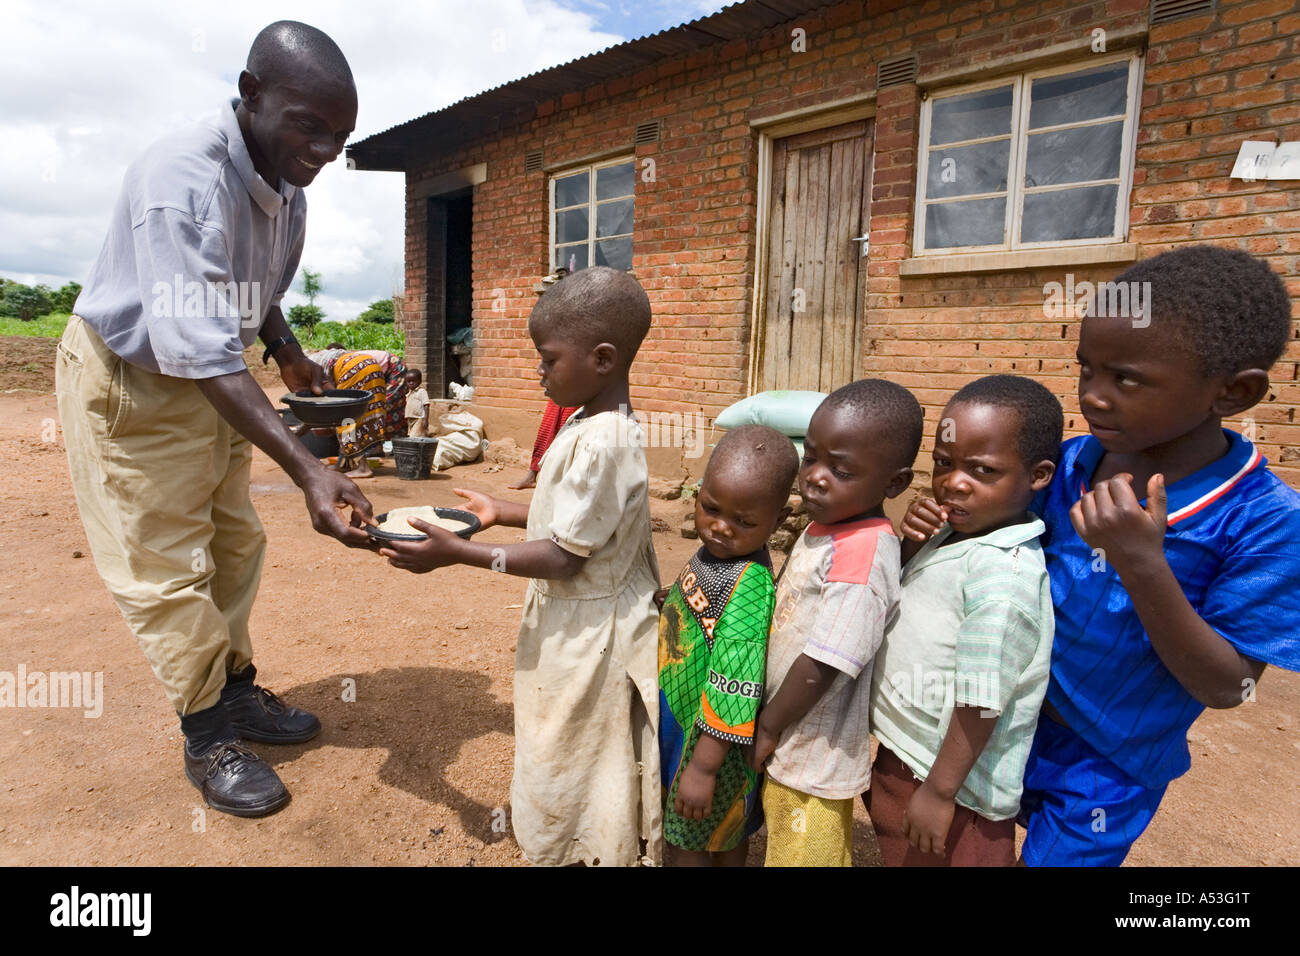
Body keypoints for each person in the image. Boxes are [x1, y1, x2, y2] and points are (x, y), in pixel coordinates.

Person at [55, 22, 374, 817]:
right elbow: (194, 344)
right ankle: (207, 735)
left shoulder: (287, 182)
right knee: (163, 565)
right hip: (135, 380)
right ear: (251, 92)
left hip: (216, 374)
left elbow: (252, 290)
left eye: (340, 136)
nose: (325, 149)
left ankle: (234, 693)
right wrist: (309, 468)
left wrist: (290, 351)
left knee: (235, 541)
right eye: (310, 125)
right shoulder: (182, 183)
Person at [1018, 245, 1300, 866]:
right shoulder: (1066, 465)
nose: (1093, 396)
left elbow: (1232, 689)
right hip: (1004, 725)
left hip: (1111, 765)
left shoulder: (1264, 520)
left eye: (1127, 379)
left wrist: (1142, 564)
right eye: (1087, 369)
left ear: (1234, 392)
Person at [376, 266, 662, 865]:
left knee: (579, 745)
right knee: (563, 740)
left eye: (548, 359)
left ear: (603, 358)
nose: (539, 371)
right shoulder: (589, 424)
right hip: (574, 625)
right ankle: (574, 838)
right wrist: (501, 512)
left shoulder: (605, 441)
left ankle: (590, 847)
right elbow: (575, 518)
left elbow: (562, 555)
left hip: (593, 637)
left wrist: (459, 554)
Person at [867, 375, 1061, 866]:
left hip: (958, 792)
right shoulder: (956, 532)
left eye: (982, 470)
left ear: (1038, 476)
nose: (953, 482)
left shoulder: (1004, 575)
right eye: (943, 464)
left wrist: (938, 792)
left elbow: (981, 694)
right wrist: (910, 545)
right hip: (908, 757)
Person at [750, 379, 921, 866]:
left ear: (894, 483)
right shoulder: (828, 524)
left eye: (840, 469)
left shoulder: (861, 553)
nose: (816, 477)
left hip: (811, 753)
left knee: (805, 854)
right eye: (811, 458)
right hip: (791, 736)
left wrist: (768, 728)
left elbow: (826, 660)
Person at [657, 425, 798, 867]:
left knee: (691, 834)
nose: (720, 528)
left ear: (777, 521)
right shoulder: (722, 555)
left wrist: (704, 767)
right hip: (687, 722)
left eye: (743, 521)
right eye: (710, 508)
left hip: (709, 740)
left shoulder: (749, 584)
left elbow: (734, 680)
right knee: (720, 827)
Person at [306, 345, 411, 477]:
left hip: (355, 370)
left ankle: (362, 468)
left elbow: (330, 393)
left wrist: (313, 423)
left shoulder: (308, 366)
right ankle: (344, 464)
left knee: (346, 420)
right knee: (367, 415)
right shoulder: (322, 358)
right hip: (372, 367)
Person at [508, 399, 578, 490]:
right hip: (559, 392)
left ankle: (560, 482)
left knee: (566, 434)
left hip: (577, 394)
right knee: (546, 431)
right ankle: (531, 477)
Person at [404, 368, 430, 438]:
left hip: (419, 419)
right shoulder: (409, 393)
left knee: (415, 436)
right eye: (408, 381)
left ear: (420, 381)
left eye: (413, 381)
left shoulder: (421, 392)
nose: (411, 383)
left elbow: (426, 405)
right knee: (412, 435)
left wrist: (425, 419)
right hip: (410, 419)